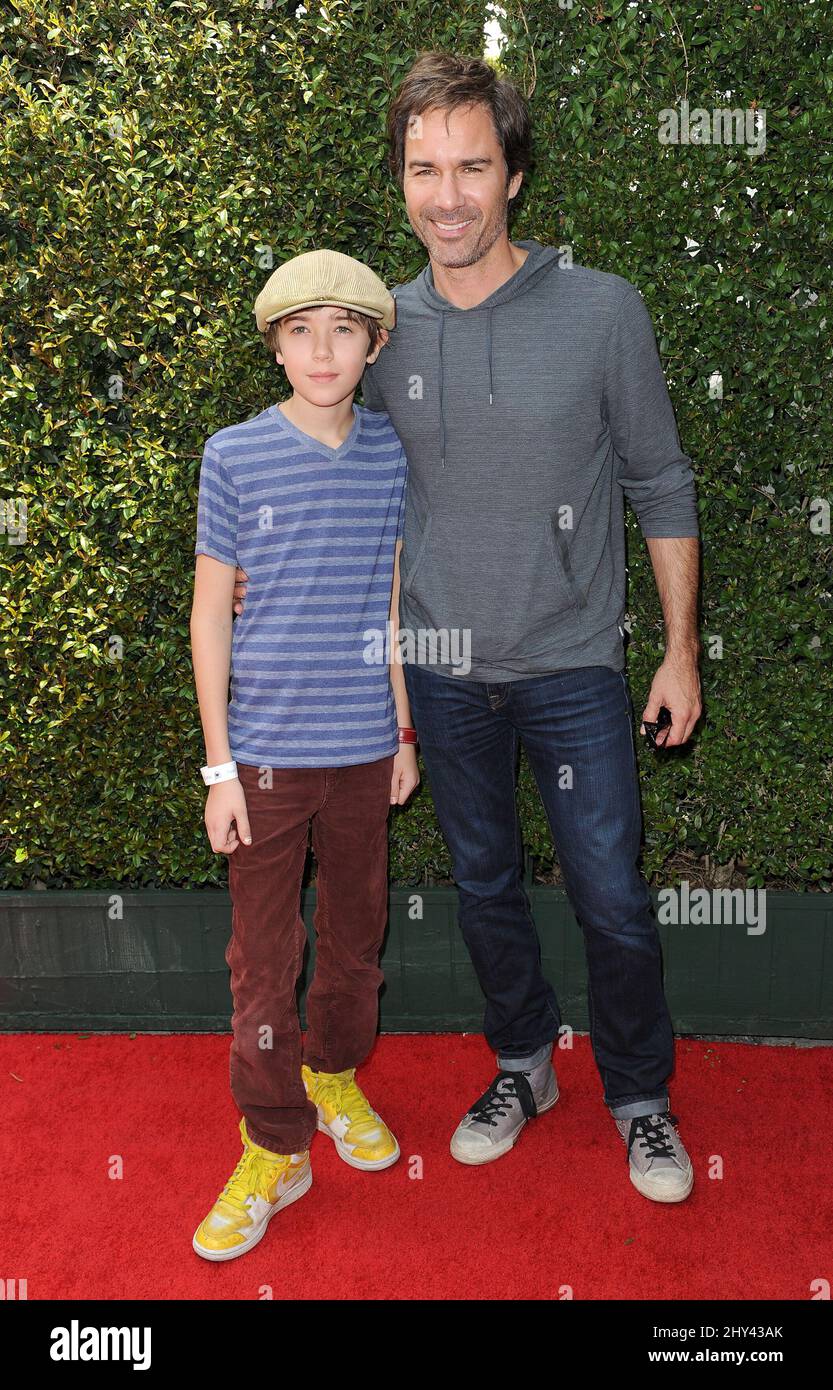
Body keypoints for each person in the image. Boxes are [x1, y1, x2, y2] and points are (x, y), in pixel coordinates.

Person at [231, 53, 703, 1204]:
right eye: (423, 168)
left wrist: (679, 649)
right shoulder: (383, 334)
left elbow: (661, 483)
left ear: (515, 177)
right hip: (438, 674)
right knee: (484, 884)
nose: (447, 193)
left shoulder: (601, 311)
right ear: (401, 181)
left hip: (575, 666)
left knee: (609, 893)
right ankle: (521, 1064)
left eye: (472, 166)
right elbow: (330, 455)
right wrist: (255, 561)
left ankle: (640, 1098)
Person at [189, 249, 419, 1260]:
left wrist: (405, 729)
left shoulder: (392, 456)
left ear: (373, 344)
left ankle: (332, 1073)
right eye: (299, 330)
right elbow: (209, 614)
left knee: (356, 941)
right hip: (266, 762)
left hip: (366, 752)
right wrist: (220, 766)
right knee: (261, 962)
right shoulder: (232, 455)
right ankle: (275, 1142)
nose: (320, 349)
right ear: (275, 345)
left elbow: (392, 601)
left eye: (342, 329)